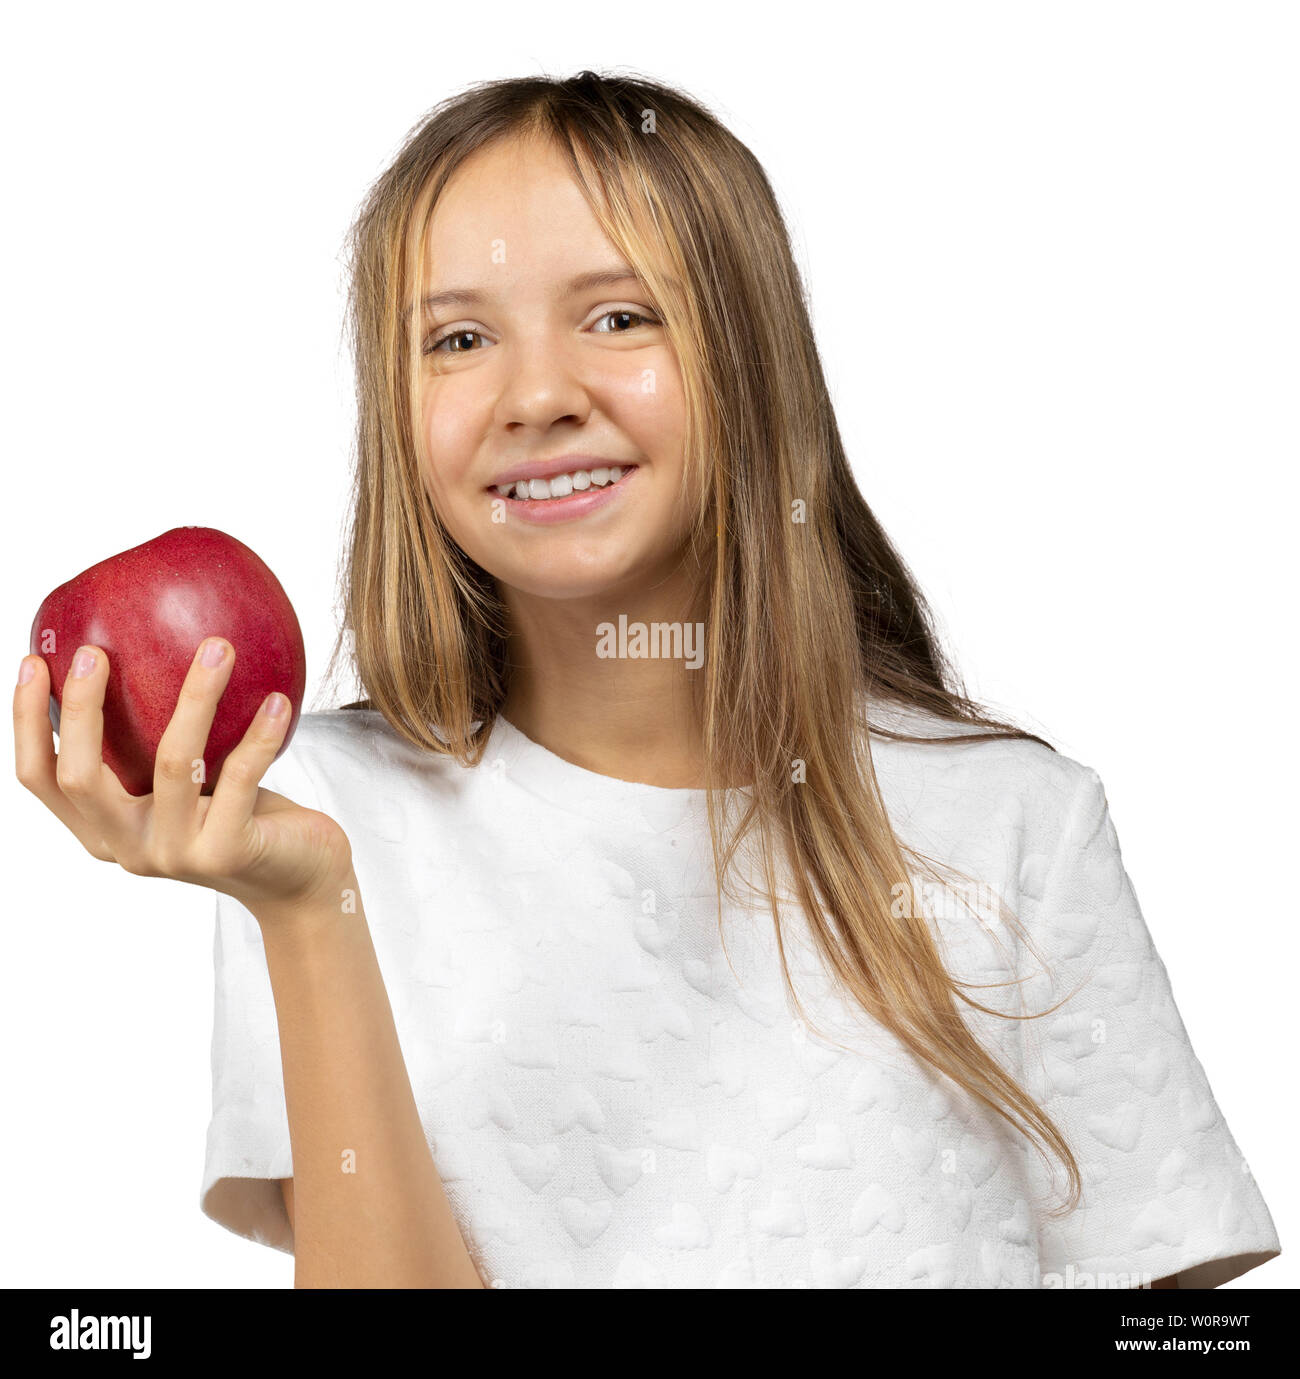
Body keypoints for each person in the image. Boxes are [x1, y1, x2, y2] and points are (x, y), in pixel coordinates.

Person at [14, 70, 1281, 1289]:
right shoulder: (318, 820)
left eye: (619, 316)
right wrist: (302, 906)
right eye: (458, 338)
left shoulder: (1015, 826)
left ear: (748, 356)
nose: (538, 396)